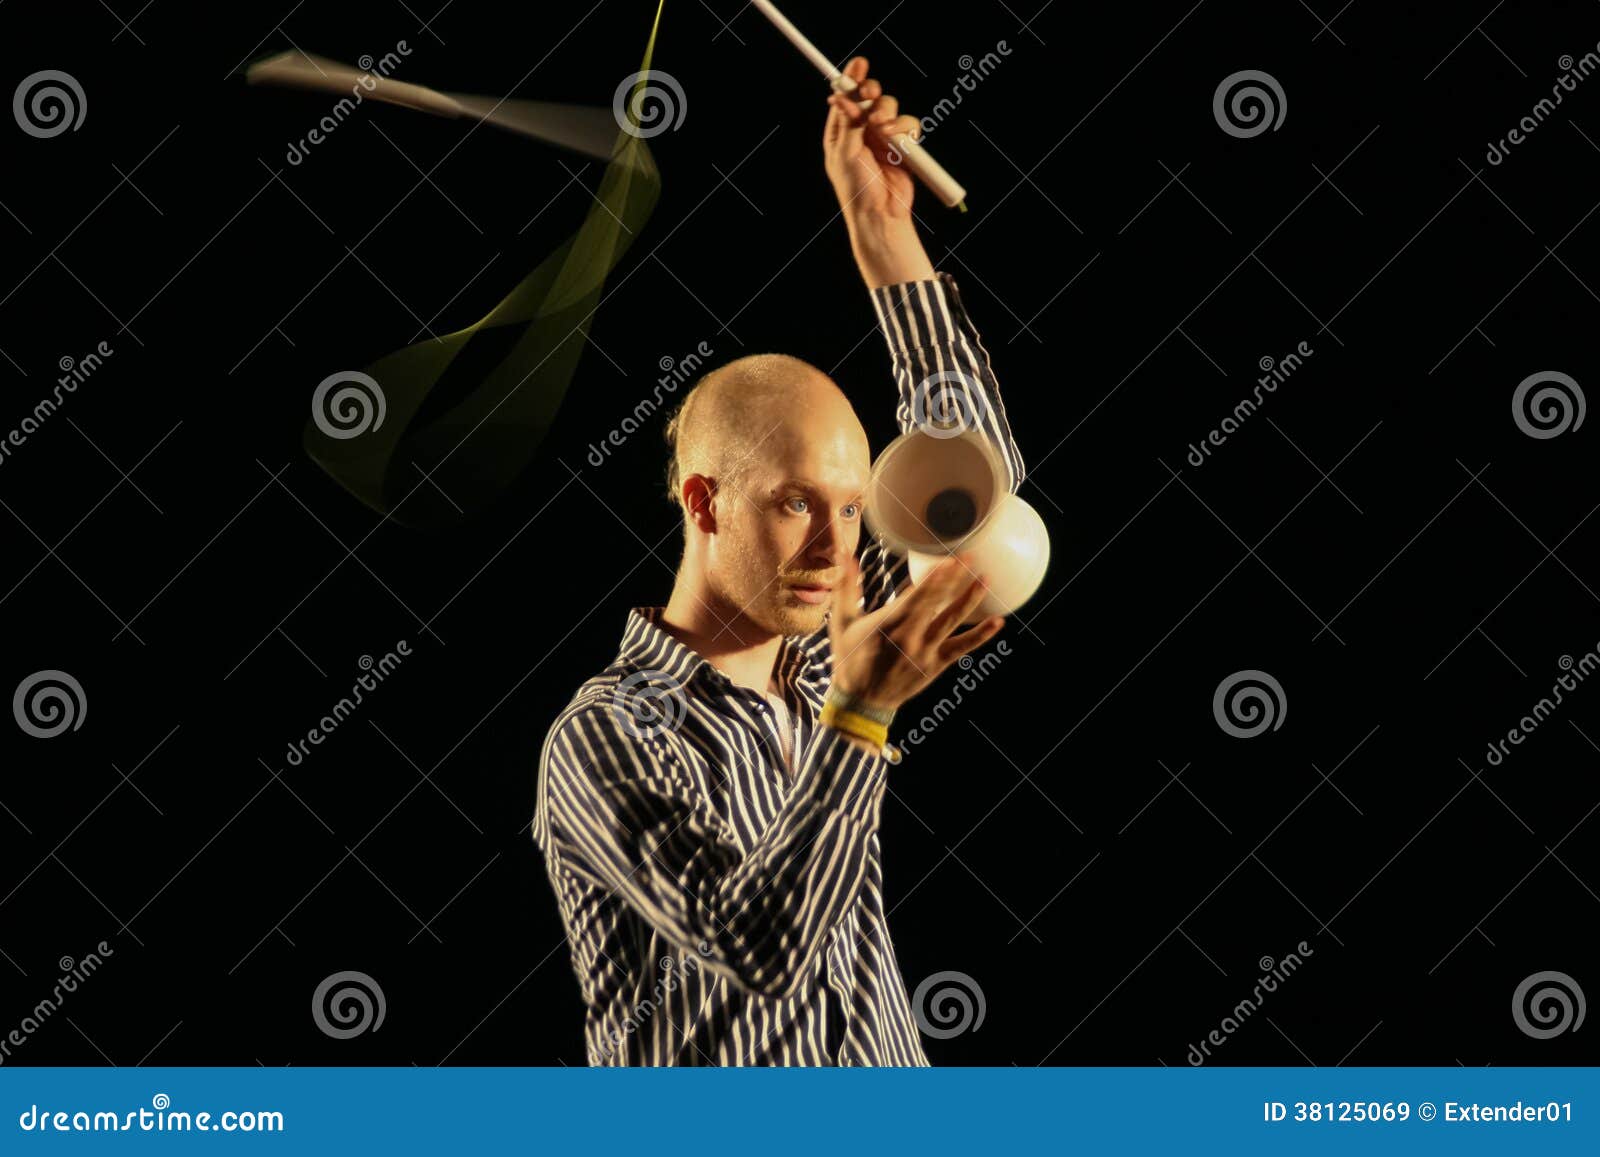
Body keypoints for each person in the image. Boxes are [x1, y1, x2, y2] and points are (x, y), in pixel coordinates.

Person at [532, 56, 1026, 1065]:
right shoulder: (604, 737)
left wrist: (882, 230)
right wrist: (862, 714)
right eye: (797, 503)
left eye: (851, 507)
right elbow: (761, 945)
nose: (838, 550)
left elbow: (974, 497)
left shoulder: (827, 655)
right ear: (703, 501)